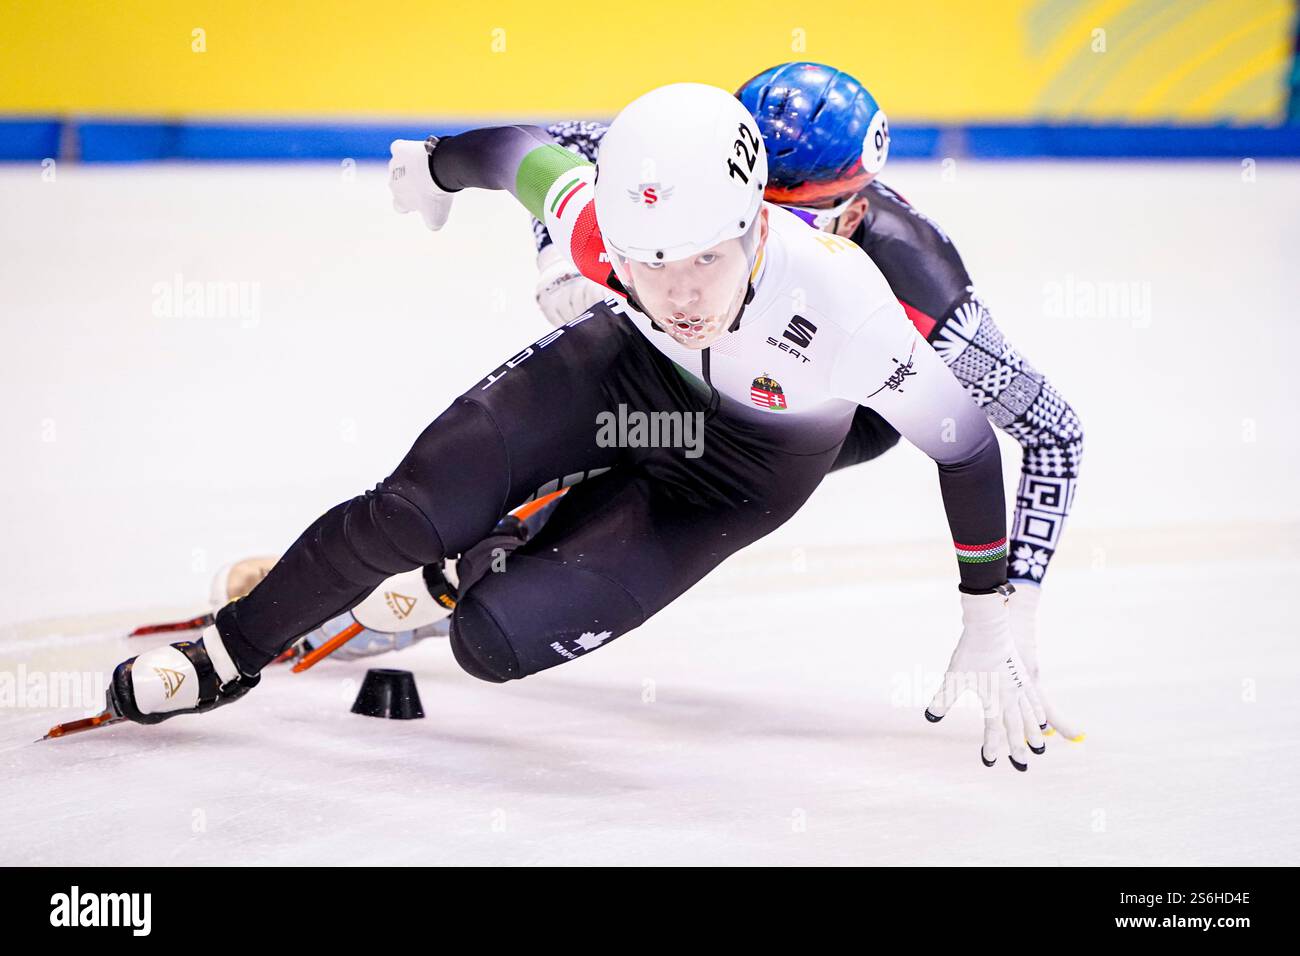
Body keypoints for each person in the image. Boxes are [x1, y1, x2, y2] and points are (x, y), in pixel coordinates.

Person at [110, 82, 1045, 770]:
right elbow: (514, 151)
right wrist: (431, 166)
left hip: (744, 473)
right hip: (628, 380)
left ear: (758, 227)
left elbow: (965, 445)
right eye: (649, 263)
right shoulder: (602, 226)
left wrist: (985, 613)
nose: (679, 295)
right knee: (409, 509)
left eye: (707, 261)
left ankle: (482, 559)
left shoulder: (845, 303)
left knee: (490, 641)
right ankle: (226, 655)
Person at [516, 63, 1085, 739]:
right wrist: (557, 255)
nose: (765, 240)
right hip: (698, 351)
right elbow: (548, 144)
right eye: (744, 216)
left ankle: (516, 559)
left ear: (856, 211)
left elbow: (1055, 435)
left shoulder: (927, 299)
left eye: (798, 218)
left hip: (826, 406)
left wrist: (1010, 610)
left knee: (670, 457)